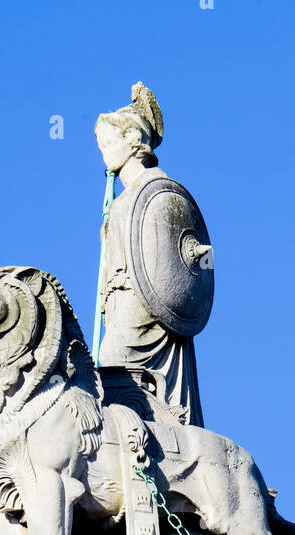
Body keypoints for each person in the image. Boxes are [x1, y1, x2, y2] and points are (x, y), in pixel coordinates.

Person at [94, 83, 210, 427]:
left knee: (113, 365)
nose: (104, 152)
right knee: (106, 370)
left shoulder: (156, 193)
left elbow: (183, 261)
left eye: (108, 143)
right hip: (119, 302)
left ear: (133, 141)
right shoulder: (121, 201)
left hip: (145, 305)